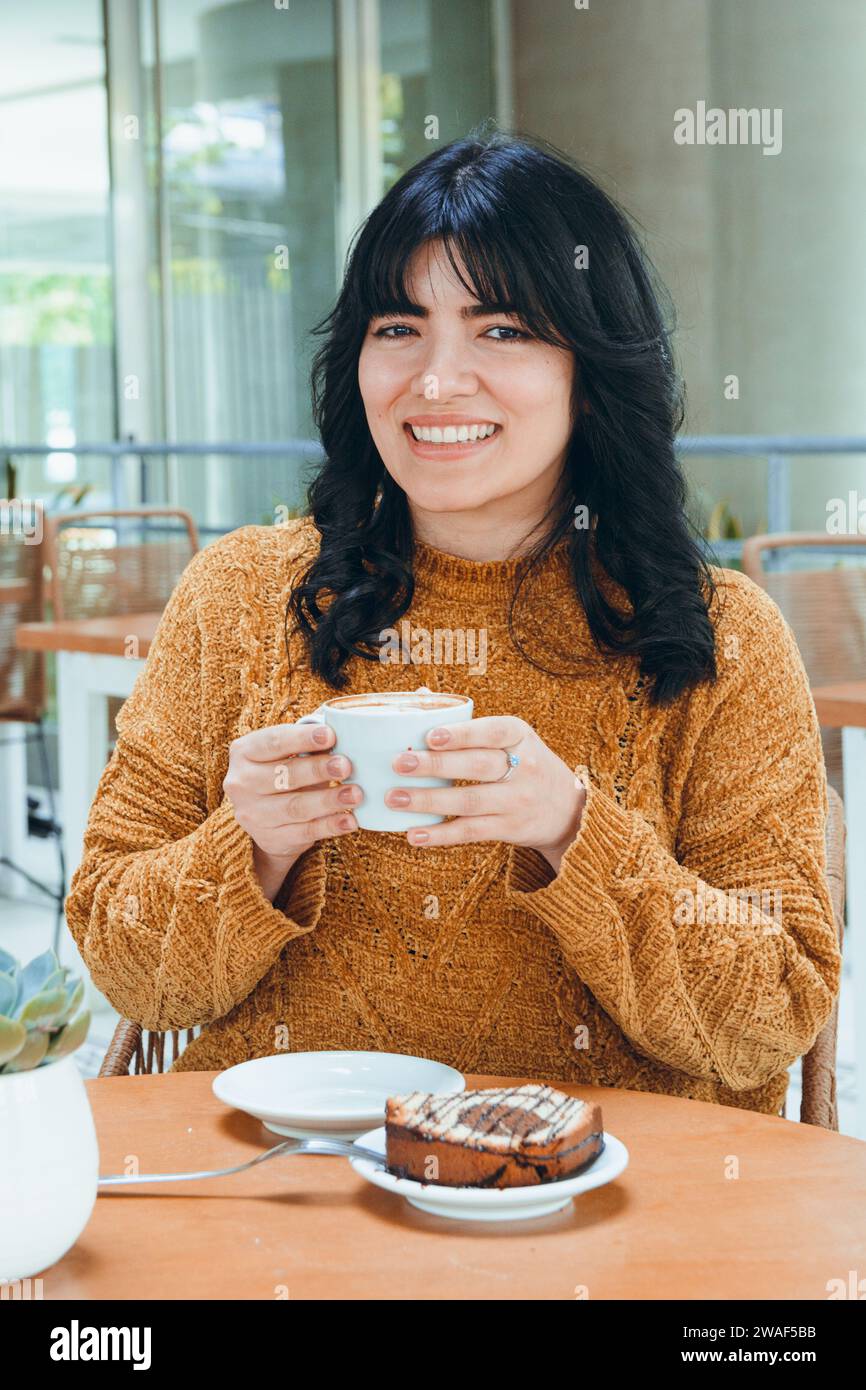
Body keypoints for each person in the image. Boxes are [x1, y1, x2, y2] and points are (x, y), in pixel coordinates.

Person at [66, 128, 840, 1116]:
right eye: (397, 328)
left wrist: (571, 831)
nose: (434, 380)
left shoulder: (716, 635)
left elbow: (768, 1012)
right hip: (284, 1195)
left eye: (500, 328)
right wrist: (250, 847)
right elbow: (131, 973)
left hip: (601, 1210)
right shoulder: (239, 593)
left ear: (589, 366)